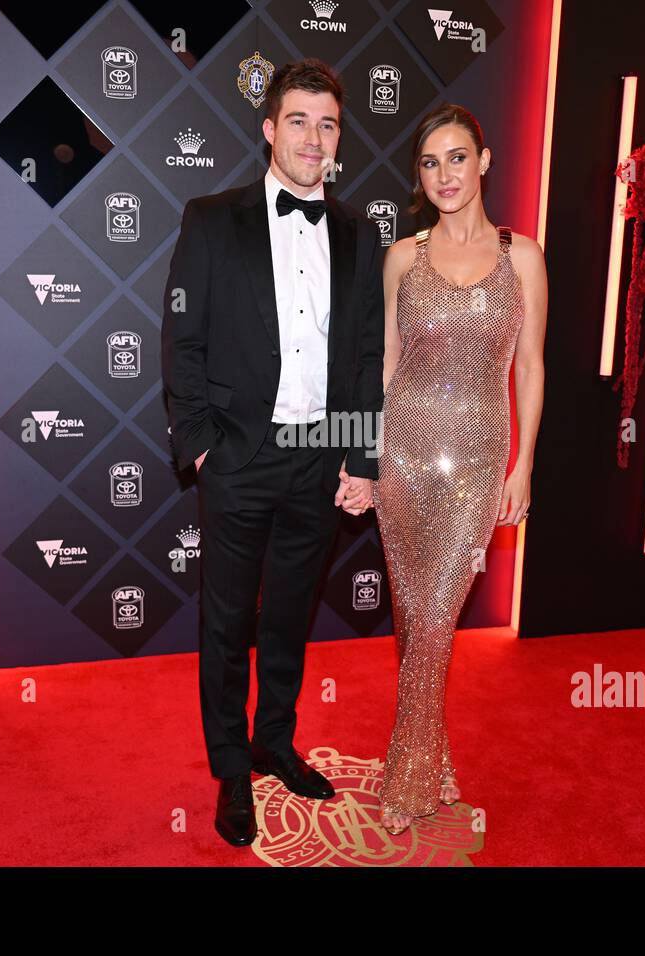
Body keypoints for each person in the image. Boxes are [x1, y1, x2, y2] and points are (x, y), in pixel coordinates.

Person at [160, 58, 384, 847]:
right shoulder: (212, 218)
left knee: (289, 613)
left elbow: (364, 358)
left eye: (327, 123)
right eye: (298, 121)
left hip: (320, 459)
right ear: (268, 129)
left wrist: (362, 461)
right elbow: (181, 341)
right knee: (227, 620)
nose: (313, 138)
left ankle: (275, 741)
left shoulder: (360, 233)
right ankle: (229, 767)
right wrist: (201, 451)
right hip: (239, 456)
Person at [340, 103, 548, 835]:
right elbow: (384, 370)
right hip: (404, 452)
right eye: (429, 163)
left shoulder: (523, 255)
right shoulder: (404, 256)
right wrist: (363, 461)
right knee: (414, 621)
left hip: (479, 457)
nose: (444, 175)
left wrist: (522, 466)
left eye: (457, 158)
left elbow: (530, 366)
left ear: (485, 162)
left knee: (435, 616)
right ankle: (432, 760)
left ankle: (409, 779)